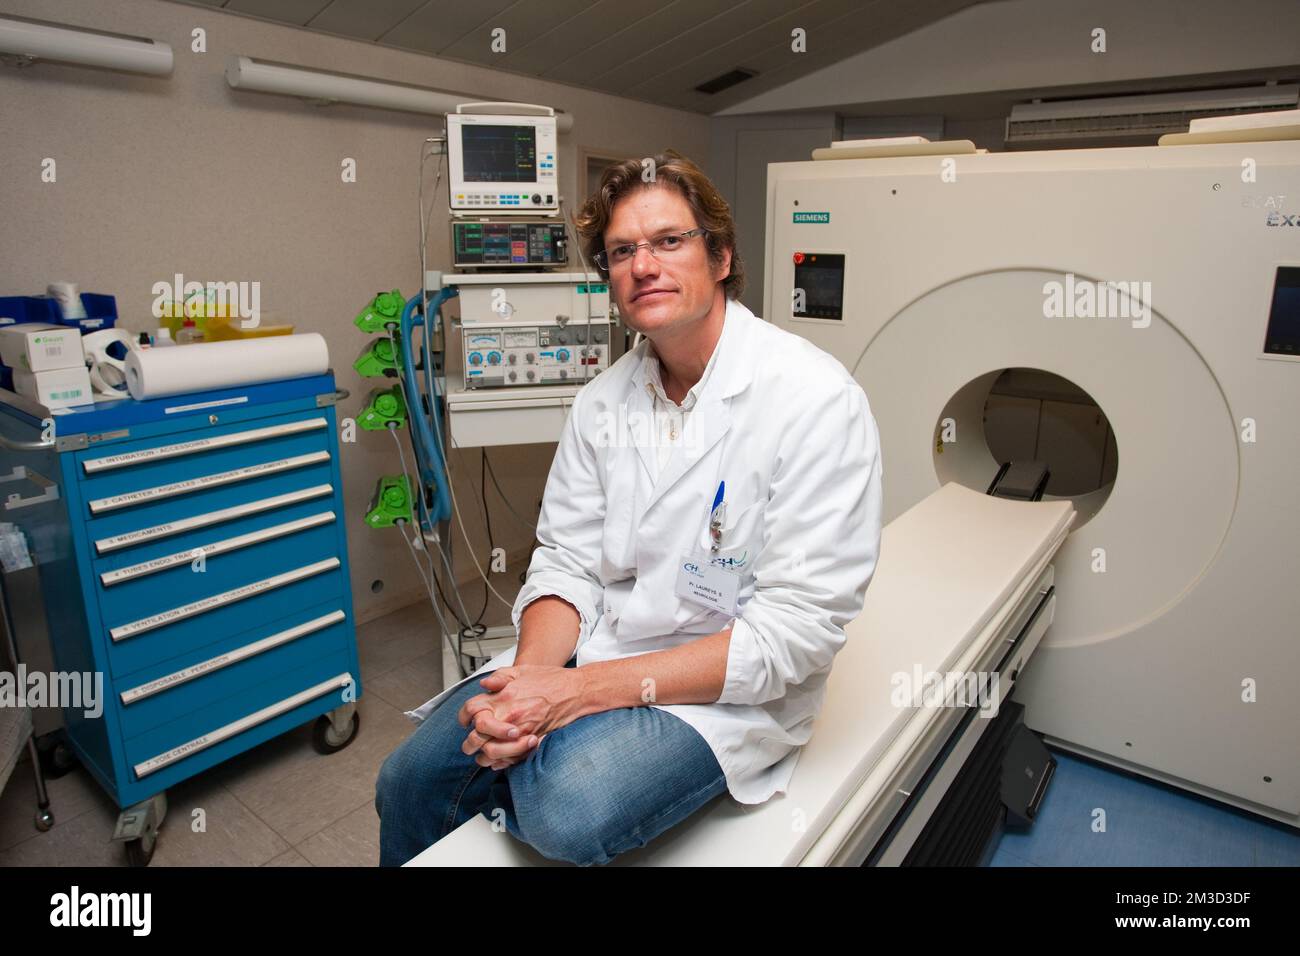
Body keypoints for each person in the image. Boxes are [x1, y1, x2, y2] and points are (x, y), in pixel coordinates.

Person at [375, 149, 883, 867]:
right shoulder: (601, 403)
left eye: (669, 240)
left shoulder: (815, 401)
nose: (644, 265)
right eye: (621, 251)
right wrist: (532, 681)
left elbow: (794, 634)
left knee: (568, 804)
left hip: (722, 690)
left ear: (723, 255)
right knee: (410, 779)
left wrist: (577, 694)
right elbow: (567, 561)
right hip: (605, 645)